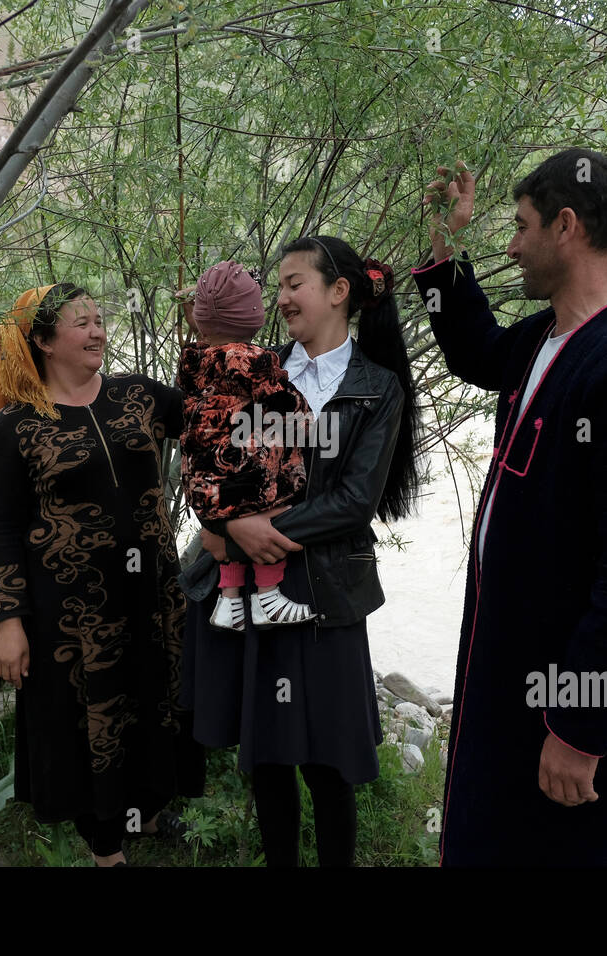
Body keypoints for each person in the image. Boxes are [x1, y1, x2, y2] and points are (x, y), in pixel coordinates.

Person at [413, 151, 607, 866]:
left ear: (567, 225)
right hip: (519, 670)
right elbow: (471, 351)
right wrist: (444, 247)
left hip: (583, 703)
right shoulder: (544, 338)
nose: (512, 247)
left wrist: (582, 727)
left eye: (520, 228)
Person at [179, 237, 422, 867]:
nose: (281, 298)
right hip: (254, 592)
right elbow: (210, 460)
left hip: (326, 594)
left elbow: (354, 500)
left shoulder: (378, 387)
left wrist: (256, 532)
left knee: (327, 762)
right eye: (278, 287)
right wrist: (226, 527)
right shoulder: (254, 371)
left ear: (339, 292)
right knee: (266, 757)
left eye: (294, 284)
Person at [0, 282, 204, 867]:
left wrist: (201, 330)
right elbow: (1, 528)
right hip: (70, 610)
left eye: (100, 320)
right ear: (44, 340)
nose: (98, 331)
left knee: (152, 697)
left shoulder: (140, 396)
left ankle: (149, 813)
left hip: (149, 591)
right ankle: (107, 849)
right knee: (89, 720)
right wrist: (10, 621)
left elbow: (211, 413)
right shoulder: (16, 427)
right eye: (81, 323)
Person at [177, 260, 315, 631]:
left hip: (206, 479)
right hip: (243, 475)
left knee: (230, 511)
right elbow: (290, 410)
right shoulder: (254, 362)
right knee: (279, 493)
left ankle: (229, 599)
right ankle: (268, 598)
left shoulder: (193, 361)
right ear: (253, 315)